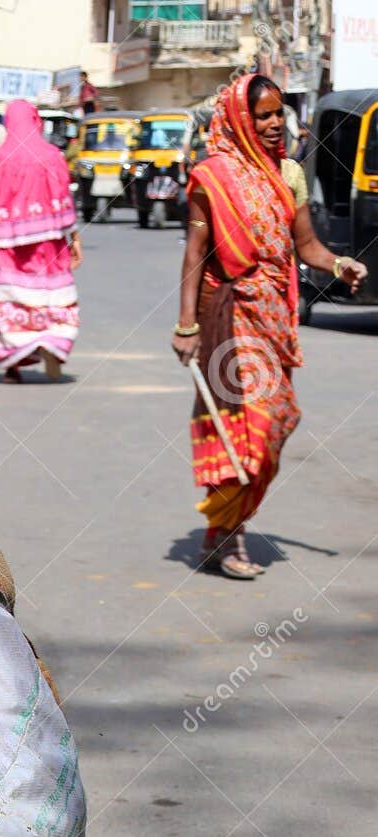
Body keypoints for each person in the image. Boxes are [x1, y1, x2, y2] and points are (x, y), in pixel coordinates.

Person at [172, 74, 366, 578]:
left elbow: (307, 247)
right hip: (229, 317)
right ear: (240, 119)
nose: (277, 123)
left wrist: (339, 264)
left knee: (277, 425)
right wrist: (186, 325)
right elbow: (195, 255)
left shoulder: (289, 175)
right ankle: (225, 537)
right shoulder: (210, 178)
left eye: (280, 113)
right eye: (264, 115)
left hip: (274, 319)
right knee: (246, 428)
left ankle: (226, 529)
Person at [0, 98, 82, 382]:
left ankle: (12, 366)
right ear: (35, 121)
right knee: (51, 298)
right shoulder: (52, 156)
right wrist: (74, 237)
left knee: (10, 301)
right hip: (49, 246)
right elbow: (64, 199)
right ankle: (52, 345)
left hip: (6, 249)